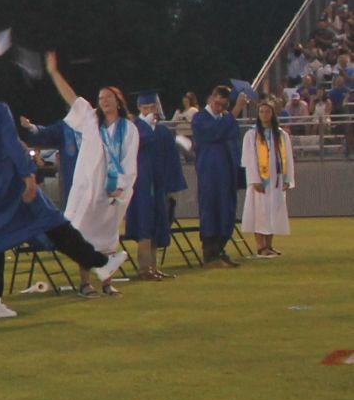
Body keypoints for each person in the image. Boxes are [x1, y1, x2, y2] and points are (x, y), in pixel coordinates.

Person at [0, 67, 126, 319]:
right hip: (12, 187)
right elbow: (12, 145)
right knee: (55, 223)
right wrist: (27, 175)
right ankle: (99, 263)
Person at [43, 55, 139, 297]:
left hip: (112, 190)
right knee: (82, 234)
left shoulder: (129, 129)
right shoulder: (89, 120)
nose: (104, 102)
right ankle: (85, 283)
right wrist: (54, 72)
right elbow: (71, 97)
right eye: (100, 99)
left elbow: (130, 159)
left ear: (119, 101)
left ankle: (107, 281)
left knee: (107, 235)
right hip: (89, 188)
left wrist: (122, 186)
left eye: (108, 98)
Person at [124, 93, 184, 280]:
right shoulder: (134, 128)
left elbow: (172, 160)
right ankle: (143, 269)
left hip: (159, 184)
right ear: (140, 108)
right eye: (146, 107)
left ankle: (153, 267)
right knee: (144, 223)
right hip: (141, 184)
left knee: (158, 223)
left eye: (152, 106)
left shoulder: (163, 131)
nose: (150, 110)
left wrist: (172, 187)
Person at [190, 85, 243, 267]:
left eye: (224, 105)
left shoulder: (225, 118)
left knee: (226, 209)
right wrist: (235, 112)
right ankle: (210, 254)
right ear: (211, 98)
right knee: (211, 209)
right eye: (217, 103)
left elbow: (233, 137)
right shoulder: (200, 118)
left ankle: (220, 249)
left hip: (227, 171)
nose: (219, 108)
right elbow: (214, 133)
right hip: (210, 172)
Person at [240, 101, 295, 257]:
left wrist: (287, 178)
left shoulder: (281, 134)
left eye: (267, 111)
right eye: (262, 111)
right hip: (260, 181)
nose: (265, 114)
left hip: (276, 180)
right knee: (260, 213)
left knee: (274, 212)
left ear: (272, 114)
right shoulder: (252, 134)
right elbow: (249, 159)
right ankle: (260, 246)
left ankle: (269, 245)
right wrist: (254, 179)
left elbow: (288, 158)